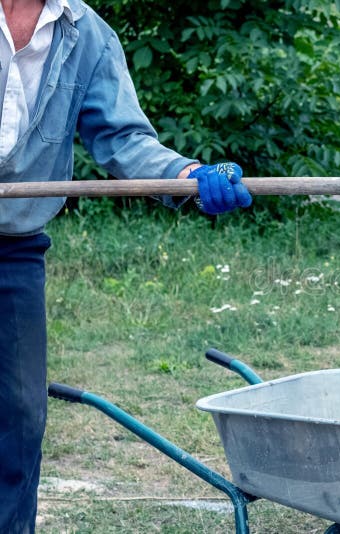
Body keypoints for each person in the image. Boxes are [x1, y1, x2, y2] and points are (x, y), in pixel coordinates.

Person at [0, 0, 252, 531]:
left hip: (14, 249)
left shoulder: (85, 34)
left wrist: (186, 174)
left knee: (18, 418)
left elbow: (123, 139)